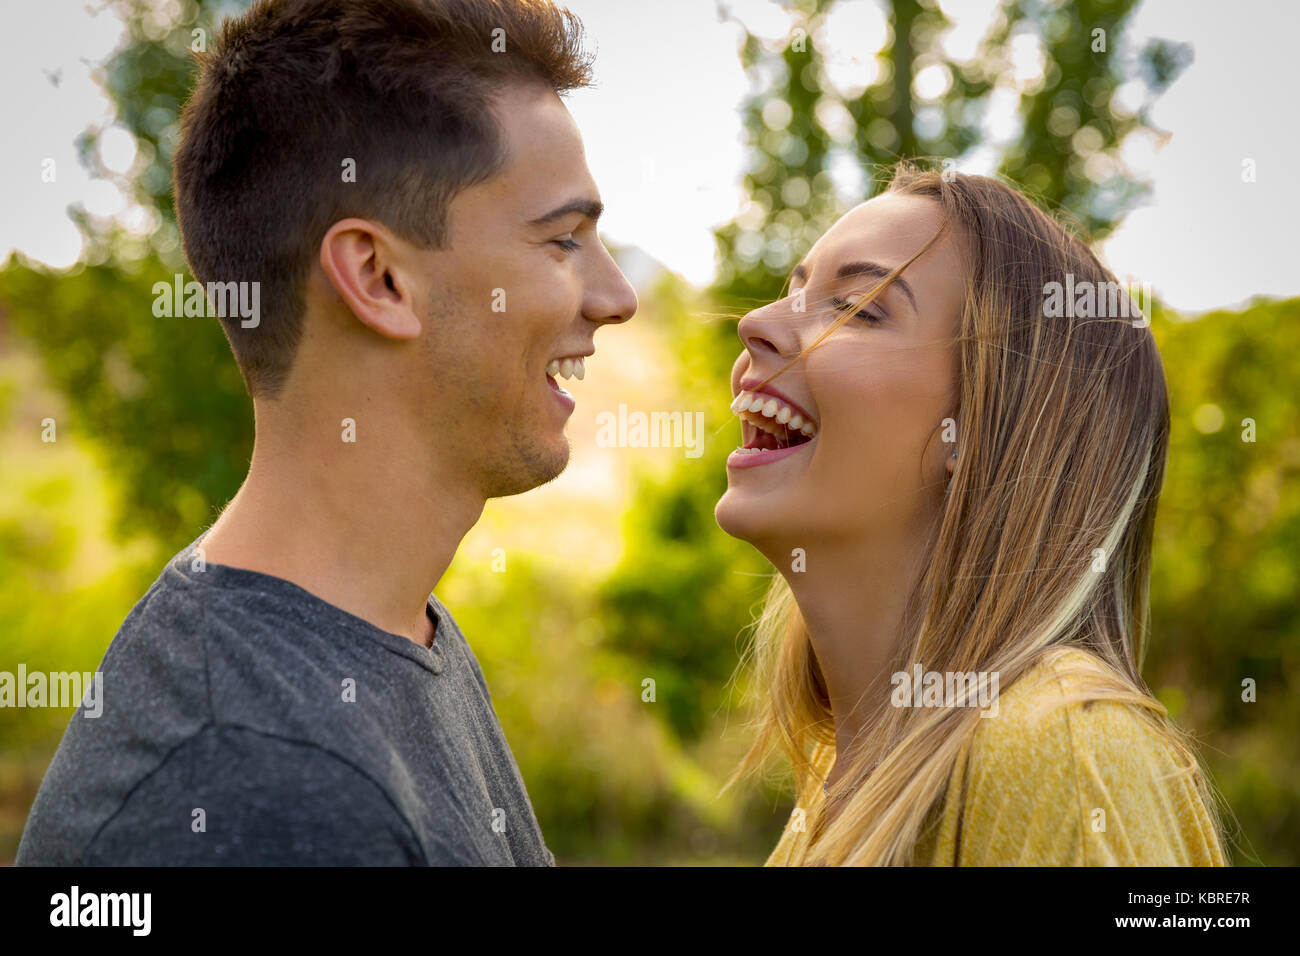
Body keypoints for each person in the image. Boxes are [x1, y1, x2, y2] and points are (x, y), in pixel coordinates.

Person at [18, 0, 635, 866]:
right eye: (563, 240)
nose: (617, 297)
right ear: (378, 277)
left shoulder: (397, 633)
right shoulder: (254, 790)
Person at [716, 163, 1229, 866]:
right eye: (795, 290)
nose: (754, 324)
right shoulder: (844, 785)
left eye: (858, 308)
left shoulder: (1062, 751)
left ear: (984, 427)